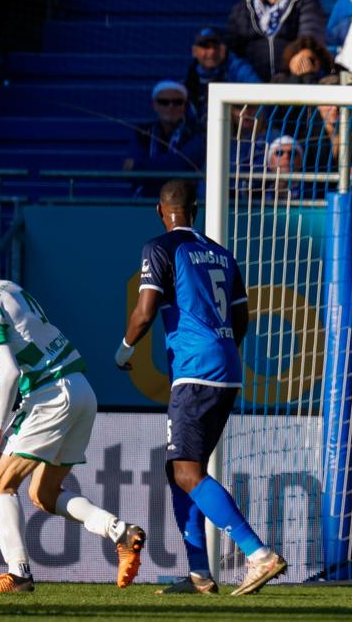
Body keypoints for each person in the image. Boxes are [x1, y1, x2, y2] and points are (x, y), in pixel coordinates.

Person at [115, 180, 287, 596]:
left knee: (187, 472)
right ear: (195, 209)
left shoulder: (159, 248)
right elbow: (242, 318)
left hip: (195, 370)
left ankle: (259, 555)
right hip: (226, 365)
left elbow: (145, 311)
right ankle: (198, 575)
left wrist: (124, 350)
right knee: (179, 471)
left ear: (161, 210)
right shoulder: (223, 254)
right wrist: (221, 348)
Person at [0, 237, 145, 593]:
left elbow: (10, 373)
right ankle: (121, 532)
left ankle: (18, 574)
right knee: (44, 493)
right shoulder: (9, 288)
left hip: (51, 395)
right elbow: (28, 349)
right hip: (81, 389)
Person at [123, 81, 205, 198]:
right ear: (154, 105)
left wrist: (141, 166)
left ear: (185, 106)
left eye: (178, 102)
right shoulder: (142, 131)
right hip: (146, 201)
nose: (170, 107)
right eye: (163, 102)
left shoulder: (197, 132)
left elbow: (181, 165)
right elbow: (129, 173)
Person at [228, 0, 328, 80]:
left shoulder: (305, 1)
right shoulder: (242, 9)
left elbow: (310, 38)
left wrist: (301, 59)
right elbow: (234, 52)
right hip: (252, 86)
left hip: (293, 83)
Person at [183, 27, 261, 123]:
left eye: (216, 46)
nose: (211, 52)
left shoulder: (237, 69)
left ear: (224, 49)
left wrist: (231, 108)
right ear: (194, 51)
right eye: (205, 46)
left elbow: (259, 92)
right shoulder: (190, 75)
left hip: (232, 129)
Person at [271, 34, 336, 83]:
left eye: (311, 60)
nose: (306, 64)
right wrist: (296, 76)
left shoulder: (329, 79)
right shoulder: (279, 80)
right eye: (301, 61)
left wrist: (309, 76)